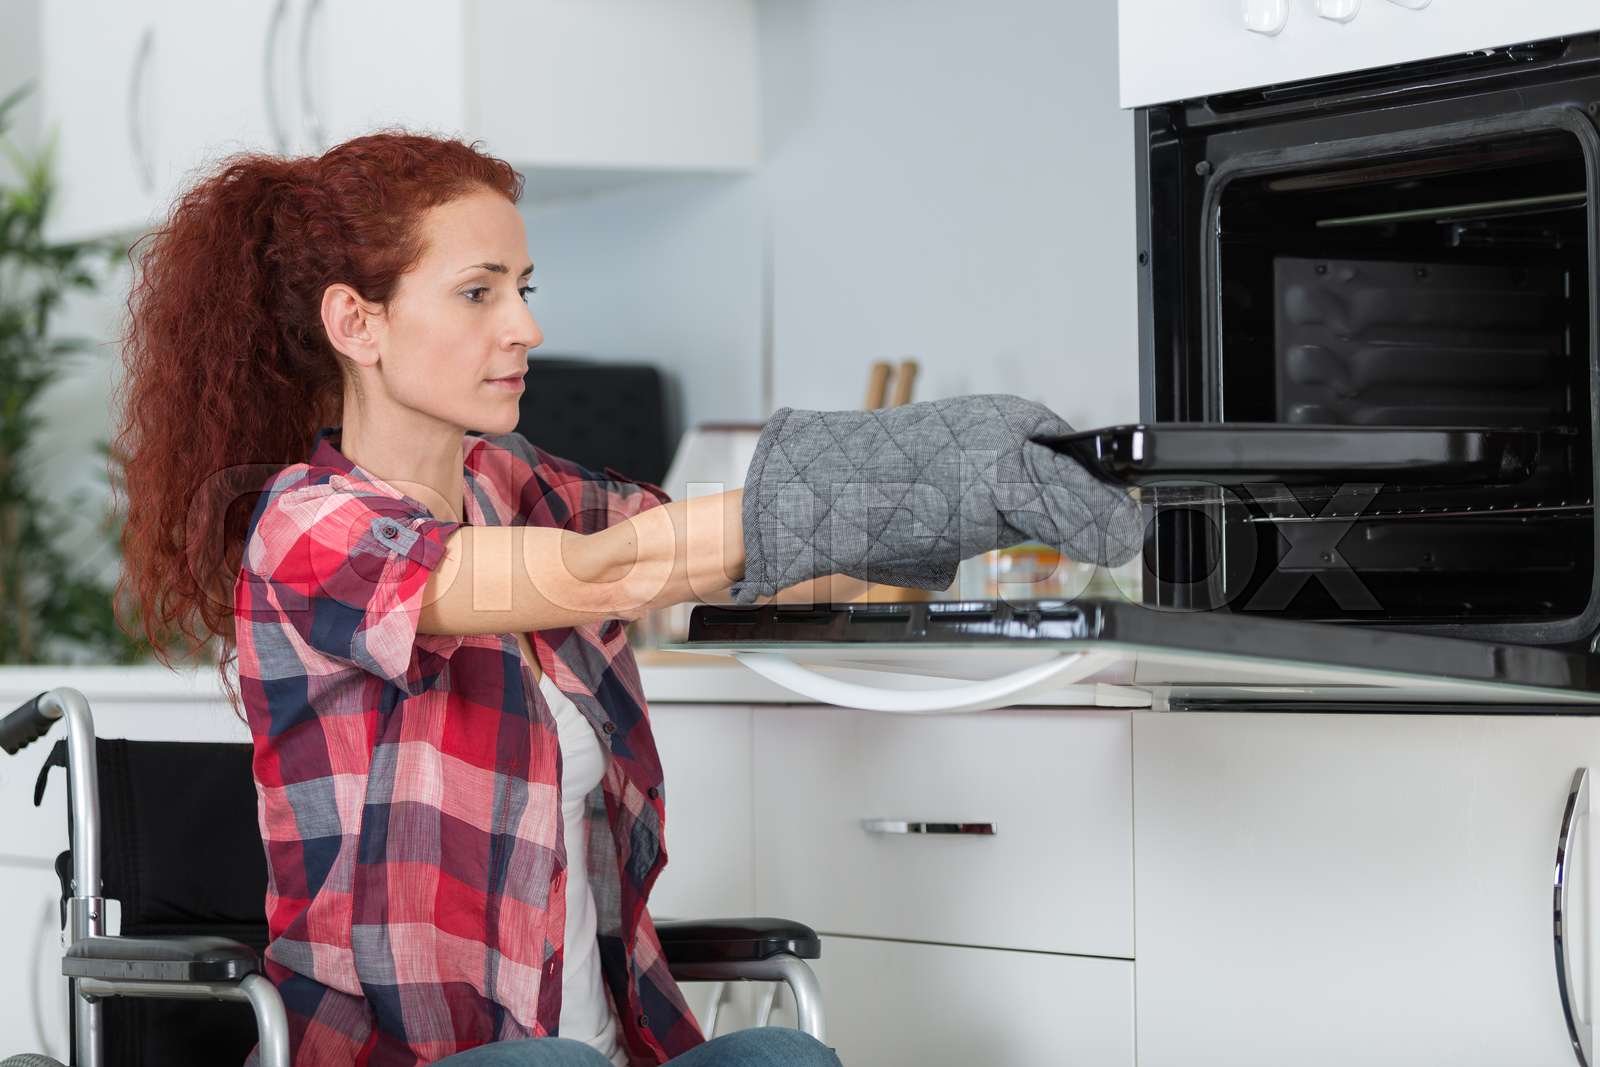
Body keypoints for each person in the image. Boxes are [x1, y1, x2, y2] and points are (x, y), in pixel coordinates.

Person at [111, 130, 852, 1067]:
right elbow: (604, 570)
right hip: (409, 1058)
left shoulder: (516, 484)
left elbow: (721, 551)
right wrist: (822, 501)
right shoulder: (305, 526)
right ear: (357, 323)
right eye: (478, 292)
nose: (526, 327)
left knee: (783, 1056)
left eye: (523, 288)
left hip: (598, 1049)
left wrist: (924, 508)